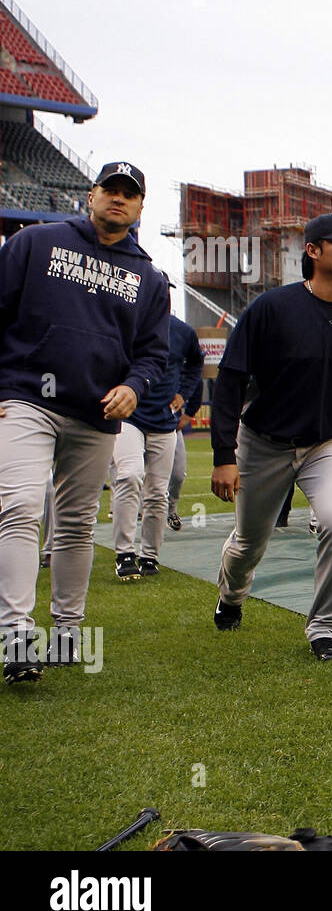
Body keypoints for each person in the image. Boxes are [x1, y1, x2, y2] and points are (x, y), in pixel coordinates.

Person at [0, 161, 169, 682]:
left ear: (140, 208)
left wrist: (133, 387)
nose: (119, 199)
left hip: (96, 411)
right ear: (90, 195)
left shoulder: (148, 277)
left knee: (74, 525)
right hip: (27, 397)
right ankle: (16, 635)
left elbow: (152, 355)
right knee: (22, 506)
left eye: (129, 194)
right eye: (110, 190)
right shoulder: (34, 243)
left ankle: (68, 630)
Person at [210, 212, 332, 661]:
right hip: (263, 442)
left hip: (328, 443)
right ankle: (232, 596)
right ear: (312, 250)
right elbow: (231, 379)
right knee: (248, 543)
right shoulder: (272, 309)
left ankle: (325, 629)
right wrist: (223, 454)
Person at [111, 288, 204, 578]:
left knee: (158, 493)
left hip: (164, 419)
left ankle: (149, 555)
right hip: (130, 415)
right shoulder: (124, 324)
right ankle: (124, 552)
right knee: (129, 475)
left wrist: (184, 394)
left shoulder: (181, 331)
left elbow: (196, 364)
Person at [166, 380, 204, 532]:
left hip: (170, 424)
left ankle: (171, 510)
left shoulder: (177, 362)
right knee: (134, 474)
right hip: (138, 422)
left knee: (178, 473)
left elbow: (197, 381)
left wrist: (189, 414)